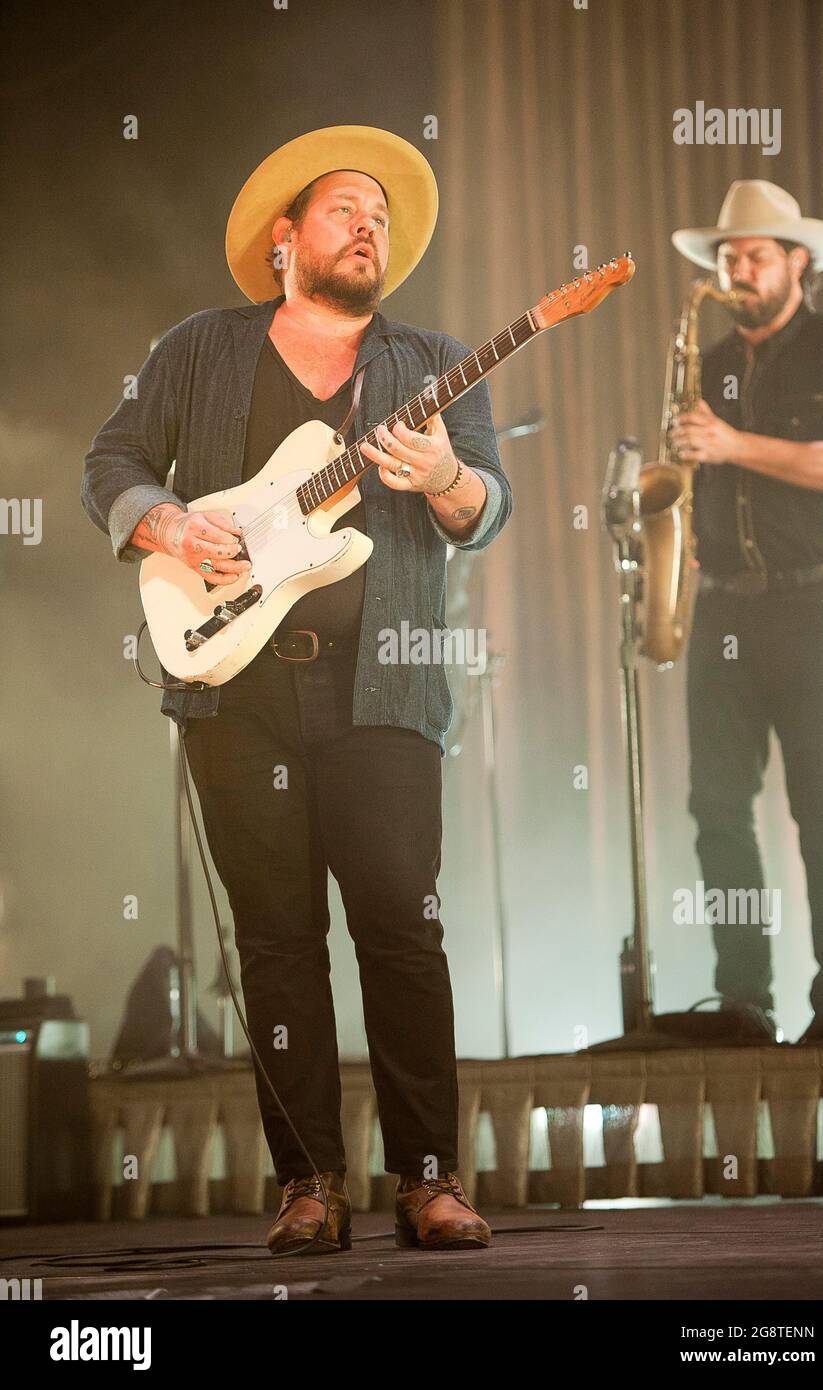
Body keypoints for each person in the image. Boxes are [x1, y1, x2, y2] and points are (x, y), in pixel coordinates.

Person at [81, 125, 513, 1251]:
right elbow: (110, 464)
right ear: (286, 237)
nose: (367, 224)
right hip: (235, 687)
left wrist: (449, 476)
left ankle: (429, 1178)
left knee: (400, 930)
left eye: (380, 213)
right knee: (274, 941)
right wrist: (165, 519)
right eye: (344, 207)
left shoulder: (430, 362)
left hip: (384, 692)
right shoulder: (198, 349)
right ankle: (309, 1184)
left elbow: (488, 512)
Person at [670, 180, 823, 1044]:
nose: (734, 268)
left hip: (819, 602)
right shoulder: (708, 361)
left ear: (798, 262)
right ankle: (743, 996)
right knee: (715, 805)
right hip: (722, 610)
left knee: (821, 803)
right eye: (725, 255)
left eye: (752, 253)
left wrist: (733, 443)